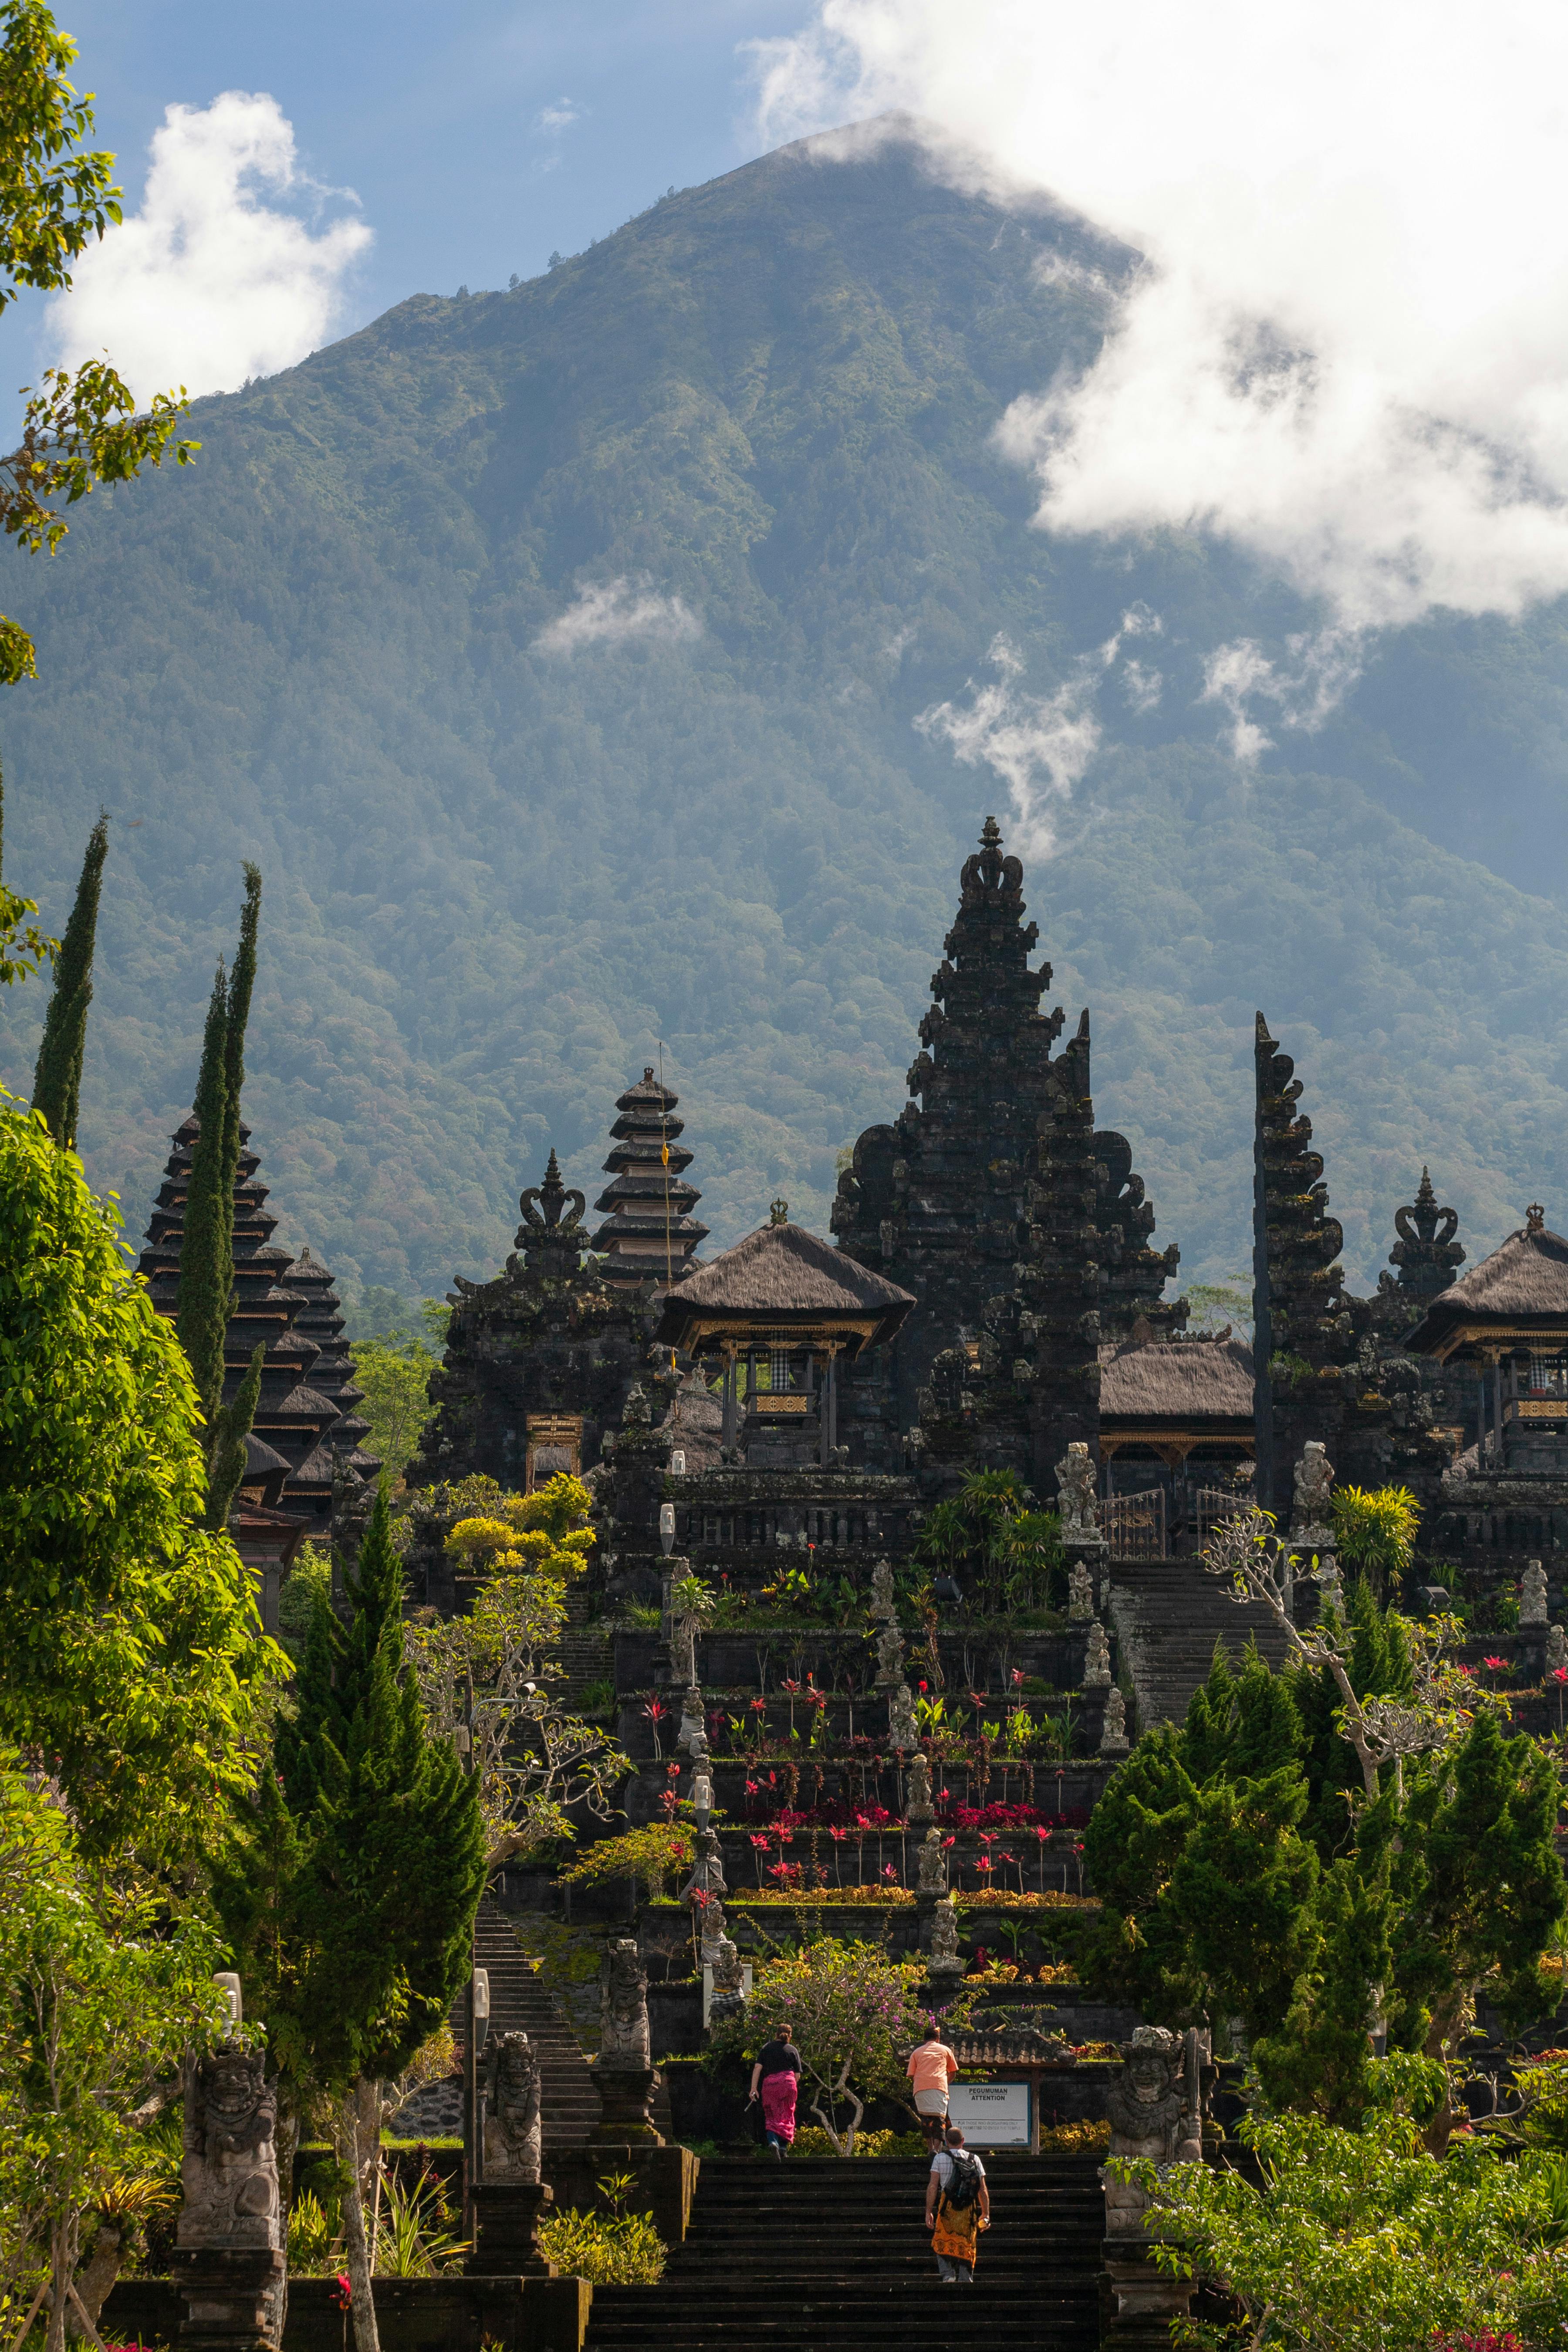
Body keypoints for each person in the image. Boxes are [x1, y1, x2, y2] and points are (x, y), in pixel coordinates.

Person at [926, 2125, 989, 2284]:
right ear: (963, 2141)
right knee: (967, 2242)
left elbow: (933, 2186)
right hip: (968, 2209)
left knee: (941, 2240)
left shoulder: (939, 2158)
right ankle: (965, 2276)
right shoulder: (975, 2159)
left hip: (947, 2207)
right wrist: (986, 2213)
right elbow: (982, 2189)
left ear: (946, 2141)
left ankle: (948, 2275)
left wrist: (929, 2211)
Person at [747, 2026, 802, 2159]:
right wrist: (790, 2087)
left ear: (776, 2034)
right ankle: (783, 2148)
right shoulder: (793, 2050)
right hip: (788, 2083)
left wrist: (754, 2088)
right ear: (790, 2036)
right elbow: (797, 2076)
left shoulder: (766, 2048)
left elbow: (757, 2068)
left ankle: (773, 2142)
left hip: (771, 2084)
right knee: (787, 2114)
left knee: (771, 2114)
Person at [906, 2020, 960, 2150]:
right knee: (939, 2119)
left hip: (920, 2089)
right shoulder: (946, 2050)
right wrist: (944, 2084)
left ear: (924, 2039)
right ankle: (937, 2149)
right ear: (938, 2038)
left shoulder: (916, 2053)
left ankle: (930, 2150)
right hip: (939, 2088)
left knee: (926, 2120)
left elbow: (912, 2075)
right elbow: (953, 2072)